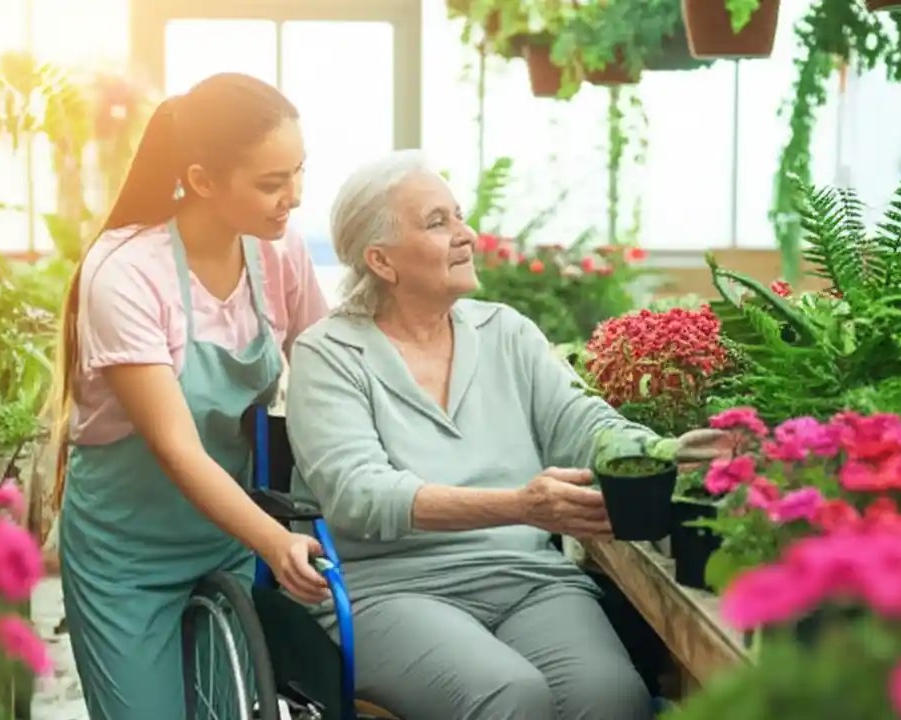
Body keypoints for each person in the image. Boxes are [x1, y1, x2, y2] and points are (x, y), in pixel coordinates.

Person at [284, 150, 733, 720]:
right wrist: (521, 506)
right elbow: (359, 495)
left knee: (611, 699)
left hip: (526, 579)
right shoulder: (329, 354)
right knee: (510, 695)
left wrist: (668, 451)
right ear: (381, 260)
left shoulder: (506, 332)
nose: (465, 235)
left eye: (459, 215)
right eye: (436, 222)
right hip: (391, 589)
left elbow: (582, 424)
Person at [44, 73, 331, 719]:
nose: (293, 198)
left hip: (226, 533)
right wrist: (274, 541)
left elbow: (326, 373)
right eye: (271, 182)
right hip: (127, 555)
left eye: (298, 172)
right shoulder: (126, 274)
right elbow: (176, 448)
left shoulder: (279, 251)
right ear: (202, 180)